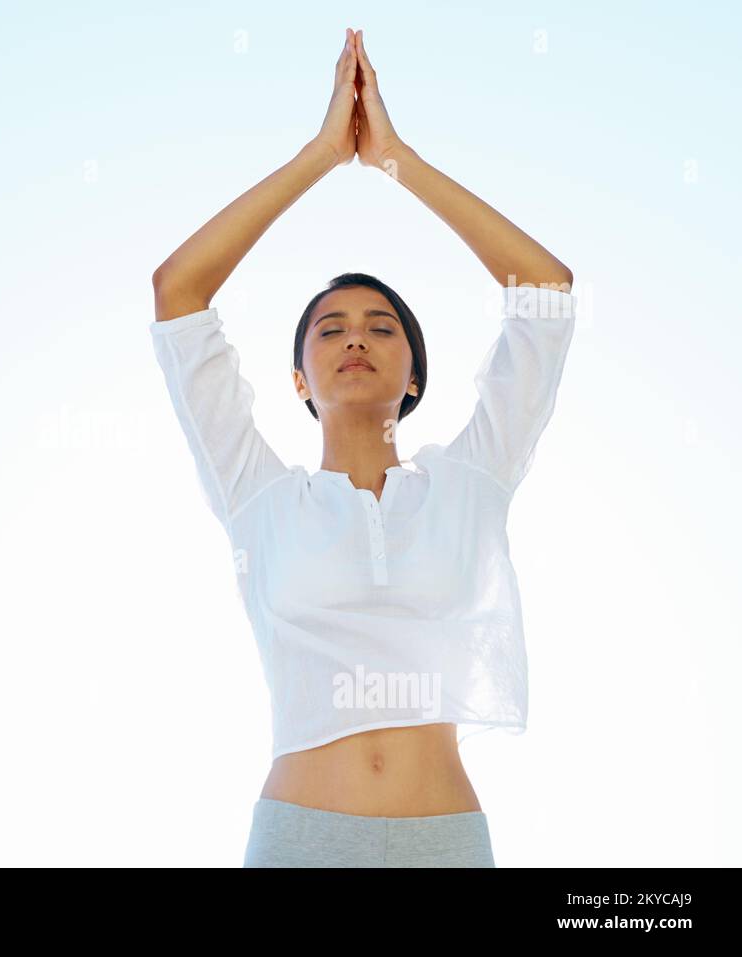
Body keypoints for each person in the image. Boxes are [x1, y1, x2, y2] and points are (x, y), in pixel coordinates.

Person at [149, 27, 576, 867]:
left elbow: (547, 294)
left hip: (445, 840)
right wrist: (321, 154)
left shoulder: (470, 484)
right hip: (302, 838)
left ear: (412, 373)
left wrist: (393, 160)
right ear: (299, 379)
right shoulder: (255, 497)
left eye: (383, 327)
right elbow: (178, 292)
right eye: (330, 329)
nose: (357, 338)